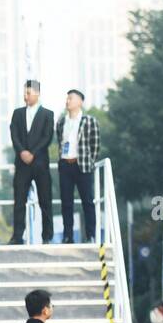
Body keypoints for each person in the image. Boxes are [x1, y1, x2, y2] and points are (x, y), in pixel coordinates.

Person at [9, 80, 55, 245]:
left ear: (37, 93)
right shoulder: (17, 113)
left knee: (45, 200)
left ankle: (47, 236)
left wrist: (32, 154)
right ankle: (17, 236)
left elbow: (47, 137)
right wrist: (22, 152)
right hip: (21, 164)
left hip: (40, 164)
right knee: (19, 200)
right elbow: (14, 135)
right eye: (24, 92)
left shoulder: (48, 114)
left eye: (28, 93)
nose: (25, 96)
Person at [55, 89, 100, 243]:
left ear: (80, 102)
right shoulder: (61, 121)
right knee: (66, 202)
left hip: (83, 166)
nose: (68, 101)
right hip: (65, 165)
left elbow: (95, 145)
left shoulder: (89, 121)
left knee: (87, 201)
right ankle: (68, 236)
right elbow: (59, 141)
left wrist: (90, 161)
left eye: (71, 98)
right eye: (67, 98)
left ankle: (90, 235)